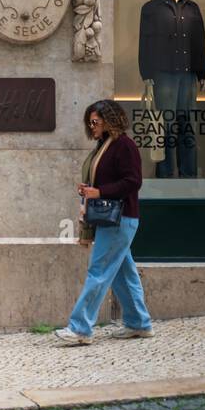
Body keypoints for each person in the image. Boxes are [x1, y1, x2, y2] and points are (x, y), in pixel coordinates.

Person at [56, 100, 155, 345]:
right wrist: (89, 189)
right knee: (123, 274)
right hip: (114, 220)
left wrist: (99, 192)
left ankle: (80, 329)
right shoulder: (106, 146)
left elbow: (133, 182)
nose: (92, 127)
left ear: (110, 120)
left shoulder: (125, 145)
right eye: (90, 123)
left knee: (98, 272)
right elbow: (109, 180)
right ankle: (139, 324)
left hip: (120, 219)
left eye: (96, 122)